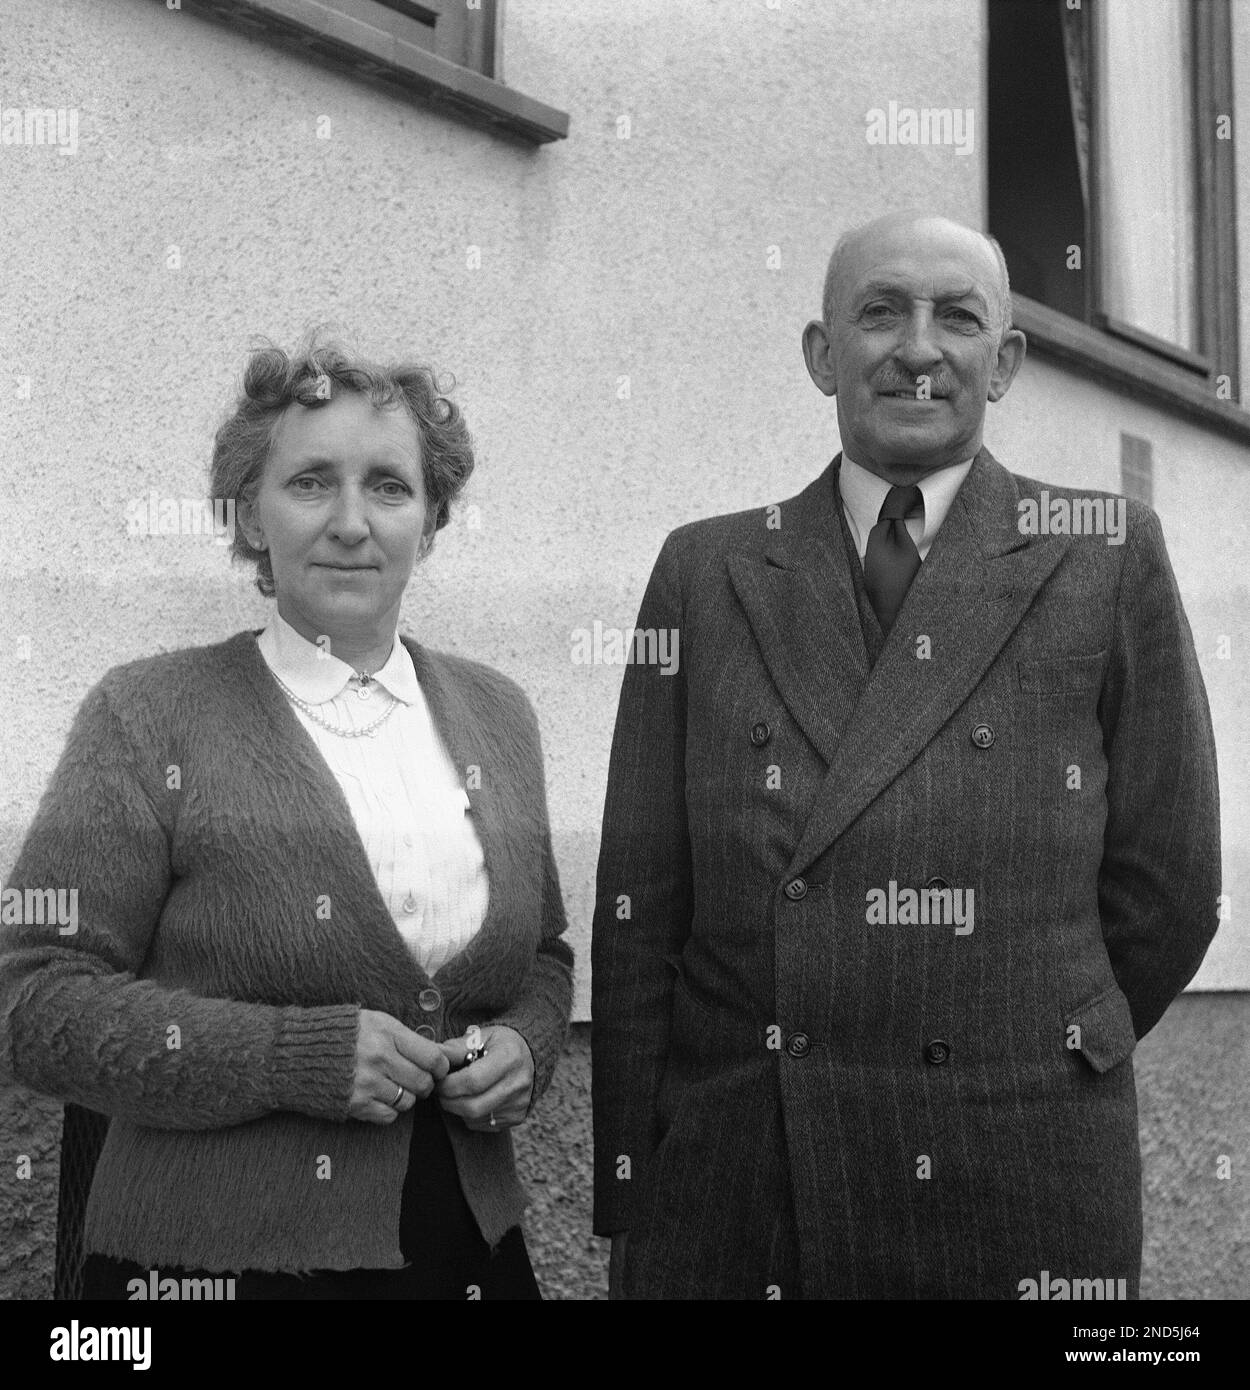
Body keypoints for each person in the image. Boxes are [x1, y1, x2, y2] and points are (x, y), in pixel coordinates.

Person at [590, 211, 1221, 1300]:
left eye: (956, 319)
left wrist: (1050, 1040)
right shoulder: (707, 568)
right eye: (878, 313)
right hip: (745, 1171)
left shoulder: (1102, 549)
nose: (917, 348)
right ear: (820, 354)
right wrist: (630, 1182)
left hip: (1012, 1162)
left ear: (1005, 360)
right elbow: (641, 902)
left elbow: (1169, 880)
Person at [0, 335, 573, 1299]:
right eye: (311, 483)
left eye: (389, 487)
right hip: (204, 1266)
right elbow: (30, 1001)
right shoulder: (148, 715)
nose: (352, 521)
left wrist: (528, 1045)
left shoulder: (498, 714)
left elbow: (544, 956)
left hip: (466, 1248)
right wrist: (288, 1059)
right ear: (250, 518)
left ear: (430, 523)